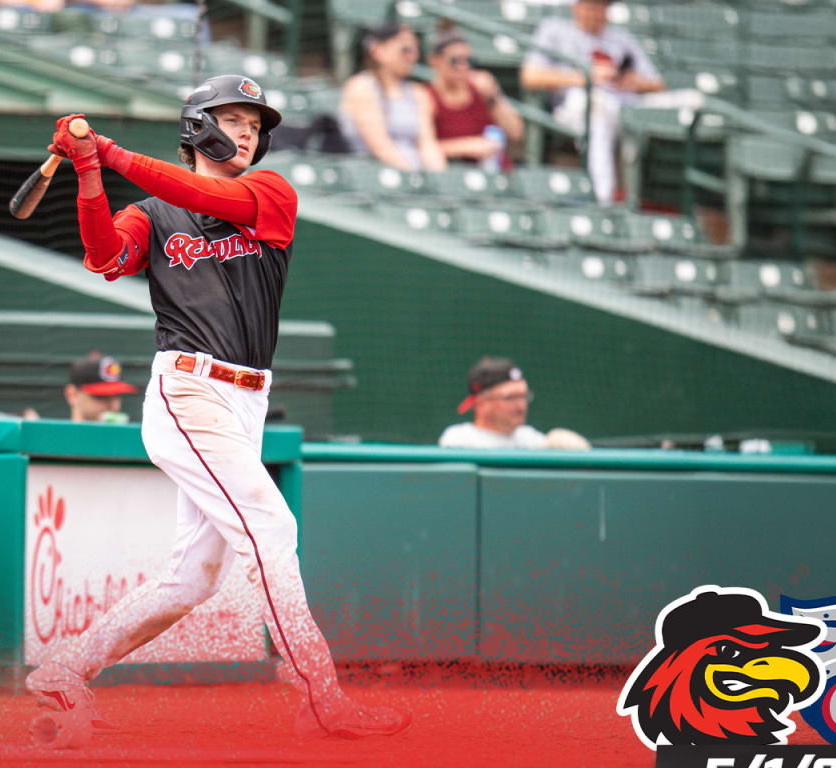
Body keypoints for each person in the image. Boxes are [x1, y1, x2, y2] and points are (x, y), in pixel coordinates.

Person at [27, 74, 411, 745]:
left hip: (247, 399)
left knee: (191, 579)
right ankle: (321, 695)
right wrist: (89, 175)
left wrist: (109, 153)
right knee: (270, 528)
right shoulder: (153, 212)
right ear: (198, 125)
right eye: (233, 118)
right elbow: (104, 258)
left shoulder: (269, 193)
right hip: (189, 388)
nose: (247, 132)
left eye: (255, 124)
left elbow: (208, 195)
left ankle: (63, 668)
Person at [520, 0, 671, 203]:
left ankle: (644, 192)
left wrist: (632, 81)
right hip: (574, 104)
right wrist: (587, 77)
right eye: (592, 5)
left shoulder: (621, 38)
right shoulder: (554, 29)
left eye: (603, 7)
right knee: (598, 108)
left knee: (690, 104)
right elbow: (530, 76)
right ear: (576, 7)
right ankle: (603, 199)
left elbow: (658, 85)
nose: (598, 12)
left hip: (622, 105)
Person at [337, 22, 446, 172]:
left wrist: (439, 179)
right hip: (370, 178)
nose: (413, 57)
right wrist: (414, 181)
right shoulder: (361, 86)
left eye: (415, 50)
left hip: (415, 180)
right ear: (378, 50)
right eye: (405, 50)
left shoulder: (418, 93)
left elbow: (427, 144)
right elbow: (381, 147)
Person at [438, 357, 591, 450]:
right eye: (510, 398)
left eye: (523, 396)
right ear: (482, 404)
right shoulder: (459, 439)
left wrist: (573, 455)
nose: (521, 406)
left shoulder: (530, 439)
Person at [427, 30, 525, 171]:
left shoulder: (481, 90)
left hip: (497, 172)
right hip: (454, 175)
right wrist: (466, 146)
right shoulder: (427, 95)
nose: (463, 67)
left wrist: (494, 95)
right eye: (455, 61)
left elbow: (515, 133)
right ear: (435, 61)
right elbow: (423, 147)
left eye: (468, 61)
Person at [65, 352, 138, 423]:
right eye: (101, 397)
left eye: (117, 396)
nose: (114, 406)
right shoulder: (55, 434)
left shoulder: (136, 434)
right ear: (72, 394)